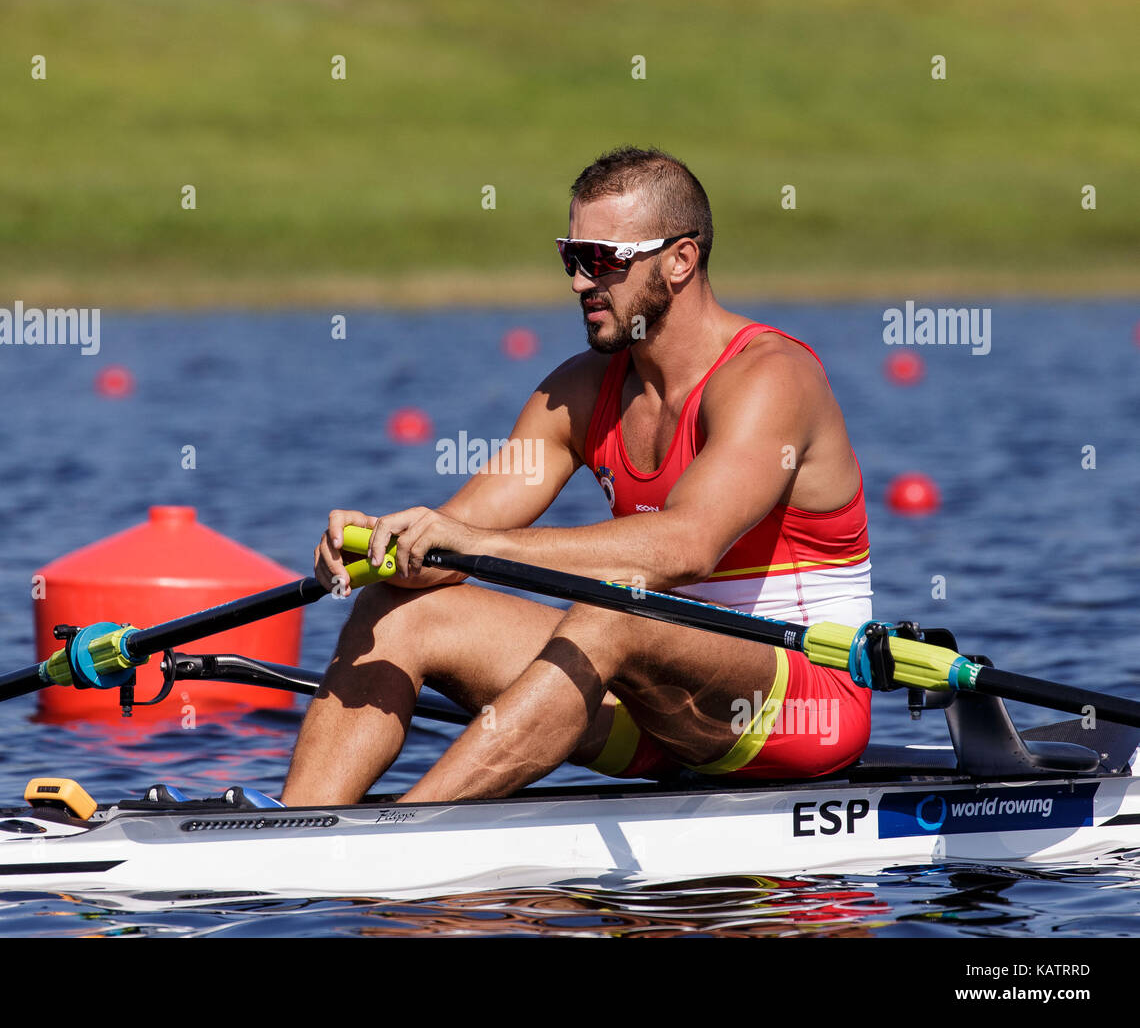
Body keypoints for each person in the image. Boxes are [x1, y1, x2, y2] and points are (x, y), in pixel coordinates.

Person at [281, 146, 872, 806]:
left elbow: (686, 548)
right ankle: (297, 832)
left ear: (680, 260)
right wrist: (376, 550)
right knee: (398, 612)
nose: (578, 283)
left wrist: (482, 546)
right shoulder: (579, 393)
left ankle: (410, 835)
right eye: (572, 257)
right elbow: (451, 550)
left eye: (603, 261)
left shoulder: (770, 378)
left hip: (801, 707)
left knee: (616, 607)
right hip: (657, 701)